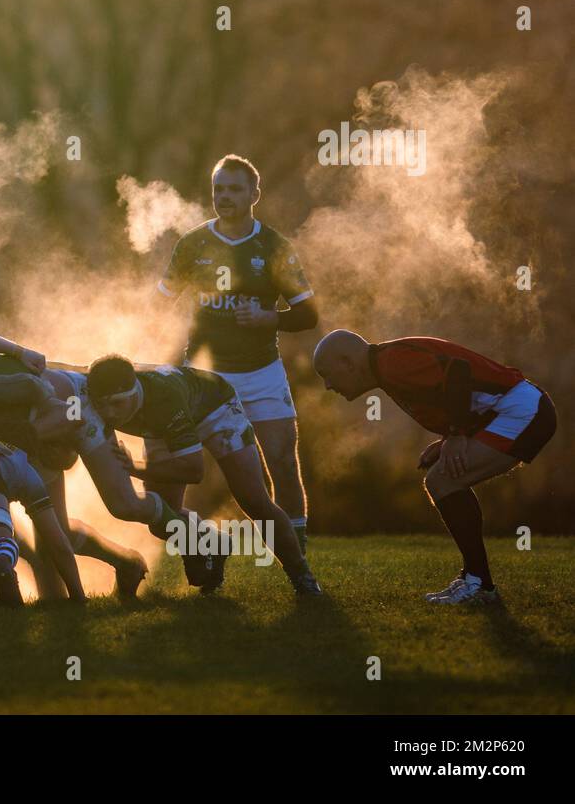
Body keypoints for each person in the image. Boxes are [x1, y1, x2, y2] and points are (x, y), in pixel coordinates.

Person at [313, 330, 557, 604]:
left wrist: (455, 433)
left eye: (327, 373)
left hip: (525, 410)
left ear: (347, 361)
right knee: (444, 479)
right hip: (518, 409)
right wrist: (447, 440)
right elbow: (462, 390)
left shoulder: (391, 362)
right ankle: (474, 579)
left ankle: (479, 583)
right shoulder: (387, 364)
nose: (327, 385)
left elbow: (458, 372)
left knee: (443, 480)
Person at [158, 155, 318, 552]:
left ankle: (294, 551)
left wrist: (269, 318)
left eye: (234, 189)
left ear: (254, 194)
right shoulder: (192, 244)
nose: (224, 196)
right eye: (219, 189)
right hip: (202, 376)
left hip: (261, 372)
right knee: (180, 466)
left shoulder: (274, 246)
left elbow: (308, 314)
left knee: (282, 461)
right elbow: (157, 305)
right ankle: (181, 542)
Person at [80, 355, 323, 595]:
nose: (110, 413)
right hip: (162, 427)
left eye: (117, 404)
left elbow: (194, 470)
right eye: (102, 405)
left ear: (134, 392)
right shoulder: (89, 384)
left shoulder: (164, 401)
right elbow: (59, 371)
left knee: (254, 500)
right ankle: (216, 543)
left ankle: (302, 575)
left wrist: (136, 467)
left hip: (215, 408)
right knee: (163, 518)